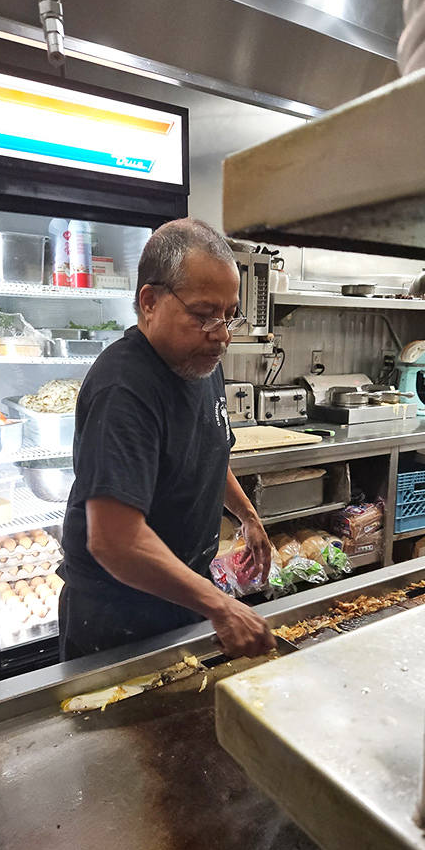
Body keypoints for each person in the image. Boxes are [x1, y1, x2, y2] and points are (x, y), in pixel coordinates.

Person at [58, 218, 276, 661]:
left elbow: (206, 455)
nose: (222, 334)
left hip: (182, 594)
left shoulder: (199, 361)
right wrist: (222, 607)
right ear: (150, 301)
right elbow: (115, 540)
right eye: (203, 315)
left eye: (229, 315)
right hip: (118, 614)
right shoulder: (124, 389)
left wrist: (247, 516)